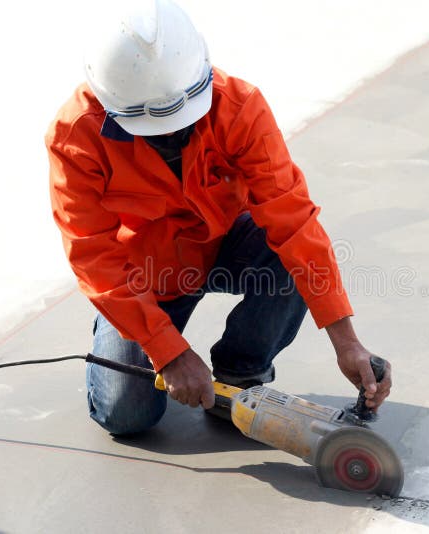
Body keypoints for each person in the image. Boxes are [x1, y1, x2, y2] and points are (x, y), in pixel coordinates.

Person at [45, 0, 392, 435]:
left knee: (288, 255)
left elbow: (294, 223)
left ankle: (240, 374)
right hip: (144, 277)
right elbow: (94, 256)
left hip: (226, 244)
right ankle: (133, 334)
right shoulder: (75, 135)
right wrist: (168, 351)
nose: (171, 132)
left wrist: (347, 343)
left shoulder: (239, 107)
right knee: (125, 414)